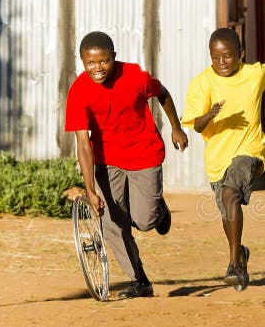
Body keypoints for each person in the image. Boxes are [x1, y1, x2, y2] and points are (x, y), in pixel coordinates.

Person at [65, 31, 188, 299]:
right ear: (82, 62)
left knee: (144, 221)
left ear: (114, 58)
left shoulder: (134, 76)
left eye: (104, 61)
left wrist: (176, 128)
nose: (97, 68)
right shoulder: (78, 91)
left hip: (145, 154)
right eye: (90, 63)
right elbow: (83, 144)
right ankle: (140, 281)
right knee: (112, 224)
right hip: (107, 162)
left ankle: (159, 212)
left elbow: (162, 93)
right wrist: (90, 190)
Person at [182, 28, 265, 289]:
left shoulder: (254, 73)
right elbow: (197, 126)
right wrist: (211, 114)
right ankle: (241, 254)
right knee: (227, 211)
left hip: (251, 150)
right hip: (217, 160)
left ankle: (233, 263)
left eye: (227, 56)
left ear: (241, 54)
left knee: (229, 193)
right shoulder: (202, 83)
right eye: (215, 57)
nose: (221, 62)